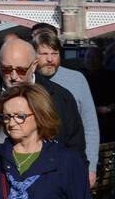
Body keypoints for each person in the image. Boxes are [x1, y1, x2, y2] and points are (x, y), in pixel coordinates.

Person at [0, 38, 86, 195]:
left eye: (21, 70)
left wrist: (76, 191)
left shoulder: (59, 97)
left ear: (34, 65)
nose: (13, 76)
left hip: (46, 190)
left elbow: (74, 147)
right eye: (6, 69)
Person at [31, 28, 100, 187]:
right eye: (44, 54)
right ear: (34, 56)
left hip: (70, 163)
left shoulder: (77, 79)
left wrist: (91, 166)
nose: (50, 59)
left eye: (54, 54)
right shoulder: (28, 81)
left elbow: (90, 125)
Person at [81, 46, 115, 148]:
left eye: (94, 57)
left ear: (101, 60)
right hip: (85, 119)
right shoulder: (78, 76)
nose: (91, 60)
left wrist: (111, 107)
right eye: (88, 57)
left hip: (108, 120)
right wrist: (96, 109)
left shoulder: (112, 76)